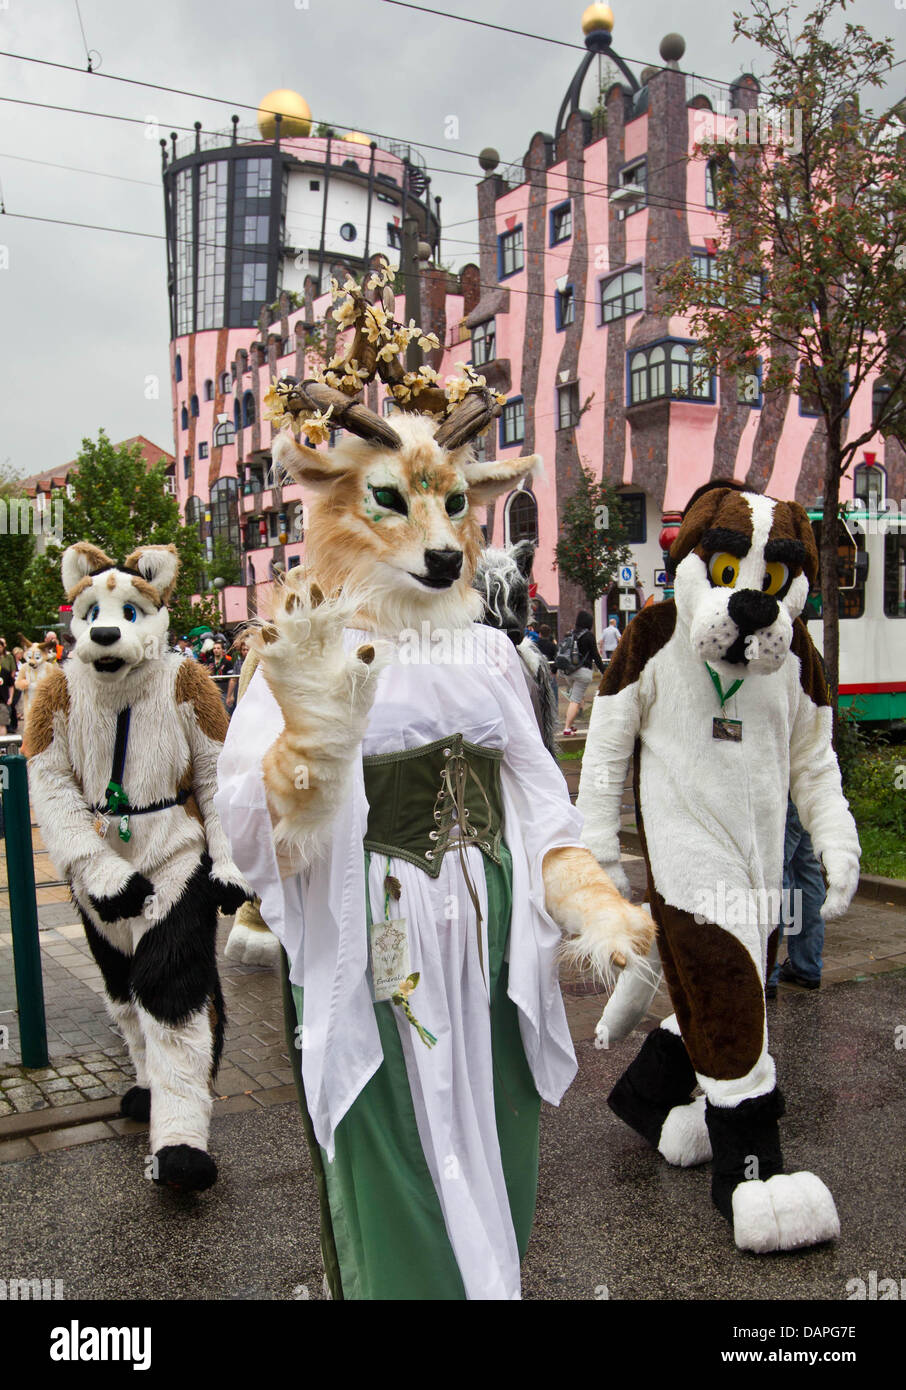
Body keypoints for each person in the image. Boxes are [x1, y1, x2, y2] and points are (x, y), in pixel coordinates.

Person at [765, 797, 827, 997]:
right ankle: (806, 967)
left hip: (783, 789)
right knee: (807, 871)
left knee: (775, 872)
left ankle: (767, 974)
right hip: (809, 788)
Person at [562, 610, 606, 737]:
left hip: (569, 671)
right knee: (575, 700)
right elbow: (595, 656)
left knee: (575, 698)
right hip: (583, 672)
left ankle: (571, 724)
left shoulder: (569, 634)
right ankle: (567, 728)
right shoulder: (589, 636)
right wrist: (604, 671)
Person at [209, 639, 237, 712]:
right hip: (212, 691)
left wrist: (230, 695)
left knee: (224, 713)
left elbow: (232, 679)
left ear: (222, 650)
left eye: (218, 648)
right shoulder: (209, 662)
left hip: (224, 691)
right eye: (214, 648)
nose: (216, 650)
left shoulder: (227, 662)